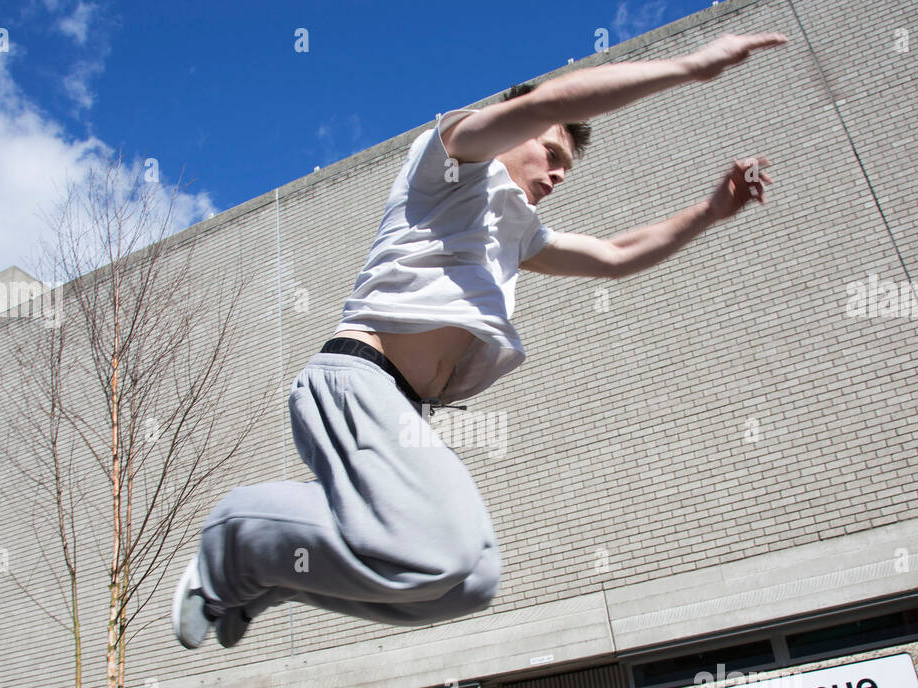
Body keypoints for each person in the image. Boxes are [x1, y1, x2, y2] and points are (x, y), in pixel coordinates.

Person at [174, 32, 787, 649]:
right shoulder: (450, 163)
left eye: (565, 170)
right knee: (440, 550)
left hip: (401, 408)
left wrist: (708, 212)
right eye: (549, 153)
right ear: (516, 129)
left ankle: (270, 577)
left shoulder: (520, 233)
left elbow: (613, 255)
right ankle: (236, 536)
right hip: (357, 378)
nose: (556, 173)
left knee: (469, 579)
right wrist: (689, 66)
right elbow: (547, 104)